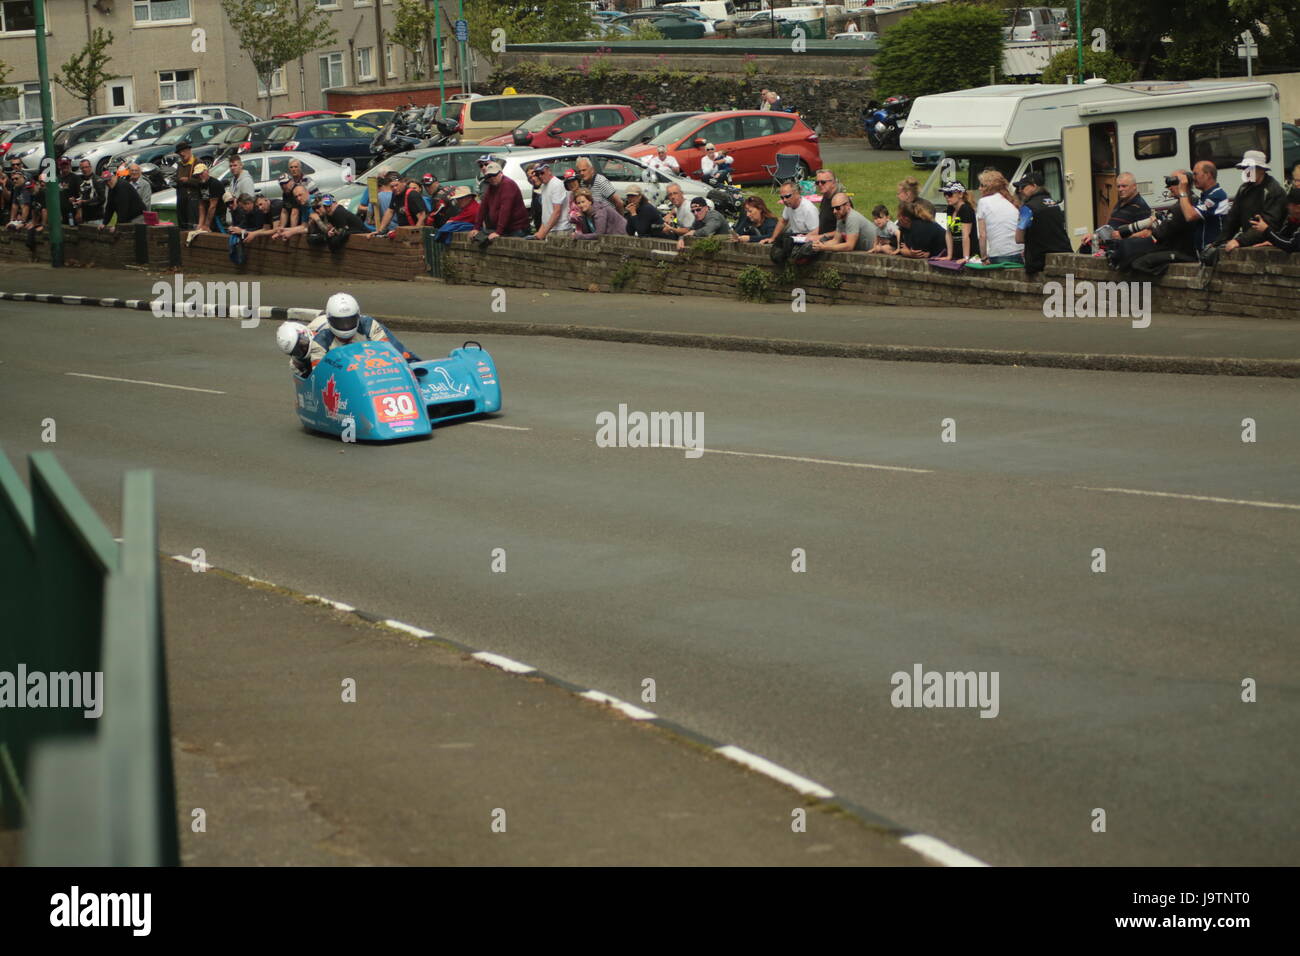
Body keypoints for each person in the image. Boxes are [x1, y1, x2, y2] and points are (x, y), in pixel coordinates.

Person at [299, 293, 418, 371]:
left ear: (357, 317)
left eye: (349, 321)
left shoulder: (368, 325)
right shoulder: (320, 341)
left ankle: (414, 367)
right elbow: (320, 375)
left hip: (372, 372)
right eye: (340, 322)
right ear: (330, 320)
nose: (345, 326)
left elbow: (387, 352)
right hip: (343, 382)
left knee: (400, 354)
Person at [1221, 149, 1287, 252]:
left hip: (1268, 244)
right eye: (1244, 168)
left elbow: (1267, 223)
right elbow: (1233, 218)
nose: (1246, 171)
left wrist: (1239, 241)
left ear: (1261, 170)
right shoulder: (1244, 189)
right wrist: (1220, 241)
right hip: (1250, 241)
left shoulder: (1273, 190)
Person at [1013, 171, 1071, 274]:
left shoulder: (1027, 208)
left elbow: (1018, 238)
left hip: (1040, 264)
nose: (1020, 190)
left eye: (1023, 186)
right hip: (1063, 257)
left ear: (1034, 186)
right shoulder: (1053, 203)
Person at [469, 160, 530, 245]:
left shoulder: (507, 184)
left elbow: (505, 209)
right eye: (489, 176)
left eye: (494, 175)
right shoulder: (491, 187)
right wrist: (476, 227)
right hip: (506, 228)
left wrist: (498, 232)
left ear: (500, 173)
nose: (492, 178)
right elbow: (483, 207)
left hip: (517, 228)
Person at [974, 168, 1023, 264]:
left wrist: (983, 258)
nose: (979, 188)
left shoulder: (984, 202)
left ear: (990, 187)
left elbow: (982, 235)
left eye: (982, 185)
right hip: (1020, 253)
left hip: (999, 254)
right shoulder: (1010, 202)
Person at [1182, 161, 1229, 251]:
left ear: (1208, 175)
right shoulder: (1205, 196)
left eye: (1195, 174)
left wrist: (1182, 191)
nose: (1193, 178)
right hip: (1205, 251)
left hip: (1214, 251)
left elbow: (1190, 216)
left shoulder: (1217, 195)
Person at [811, 193, 876, 253]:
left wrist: (825, 247)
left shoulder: (852, 217)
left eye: (837, 208)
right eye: (832, 208)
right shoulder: (840, 218)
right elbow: (836, 240)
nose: (834, 211)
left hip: (876, 251)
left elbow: (849, 246)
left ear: (847, 205)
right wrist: (819, 245)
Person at [940, 181, 978, 261]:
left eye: (950, 194)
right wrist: (949, 256)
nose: (947, 197)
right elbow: (948, 233)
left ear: (960, 194)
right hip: (957, 255)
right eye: (945, 194)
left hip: (972, 255)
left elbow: (966, 235)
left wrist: (965, 258)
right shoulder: (950, 209)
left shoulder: (965, 209)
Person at [533, 163, 572, 239]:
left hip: (561, 230)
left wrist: (543, 233)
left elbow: (557, 212)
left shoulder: (556, 184)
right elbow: (546, 213)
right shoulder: (544, 186)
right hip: (550, 230)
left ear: (549, 171)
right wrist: (540, 232)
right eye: (537, 174)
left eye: (542, 173)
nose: (540, 176)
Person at [1257, 186, 1300, 254]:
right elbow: (1283, 235)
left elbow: (1291, 245)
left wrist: (1266, 230)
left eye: (1290, 205)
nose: (1287, 207)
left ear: (1298, 207)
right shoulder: (1294, 219)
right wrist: (1273, 241)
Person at [101, 165, 146, 229]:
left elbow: (123, 209)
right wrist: (104, 223)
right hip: (128, 217)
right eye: (105, 181)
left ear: (114, 177)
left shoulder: (121, 187)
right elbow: (110, 207)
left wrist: (117, 226)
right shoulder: (111, 188)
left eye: (109, 180)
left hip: (137, 216)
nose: (108, 183)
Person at [174, 141, 197, 228]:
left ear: (189, 150)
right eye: (180, 153)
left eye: (183, 151)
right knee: (182, 225)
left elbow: (201, 181)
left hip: (192, 202)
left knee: (191, 226)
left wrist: (188, 180)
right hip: (181, 200)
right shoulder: (179, 164)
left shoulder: (197, 163)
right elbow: (177, 177)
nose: (182, 154)